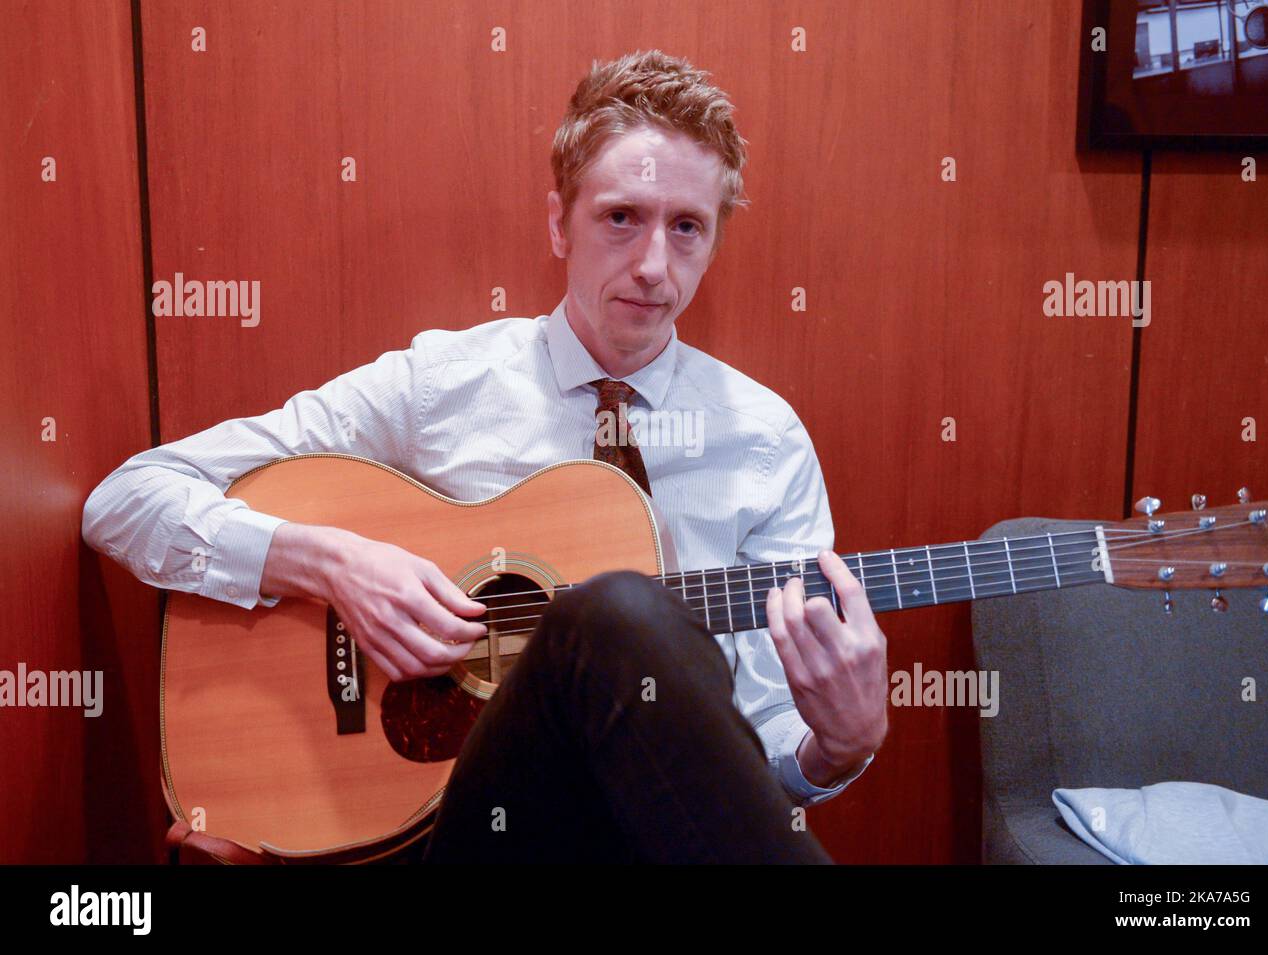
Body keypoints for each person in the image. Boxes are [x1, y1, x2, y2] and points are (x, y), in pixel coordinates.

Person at [82, 49, 889, 863]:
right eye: (620, 217)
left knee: (622, 616)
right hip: (468, 835)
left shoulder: (765, 439)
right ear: (557, 222)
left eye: (687, 228)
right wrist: (327, 563)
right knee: (616, 611)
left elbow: (757, 757)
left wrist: (836, 749)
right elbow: (128, 497)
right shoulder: (443, 385)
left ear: (714, 244)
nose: (653, 266)